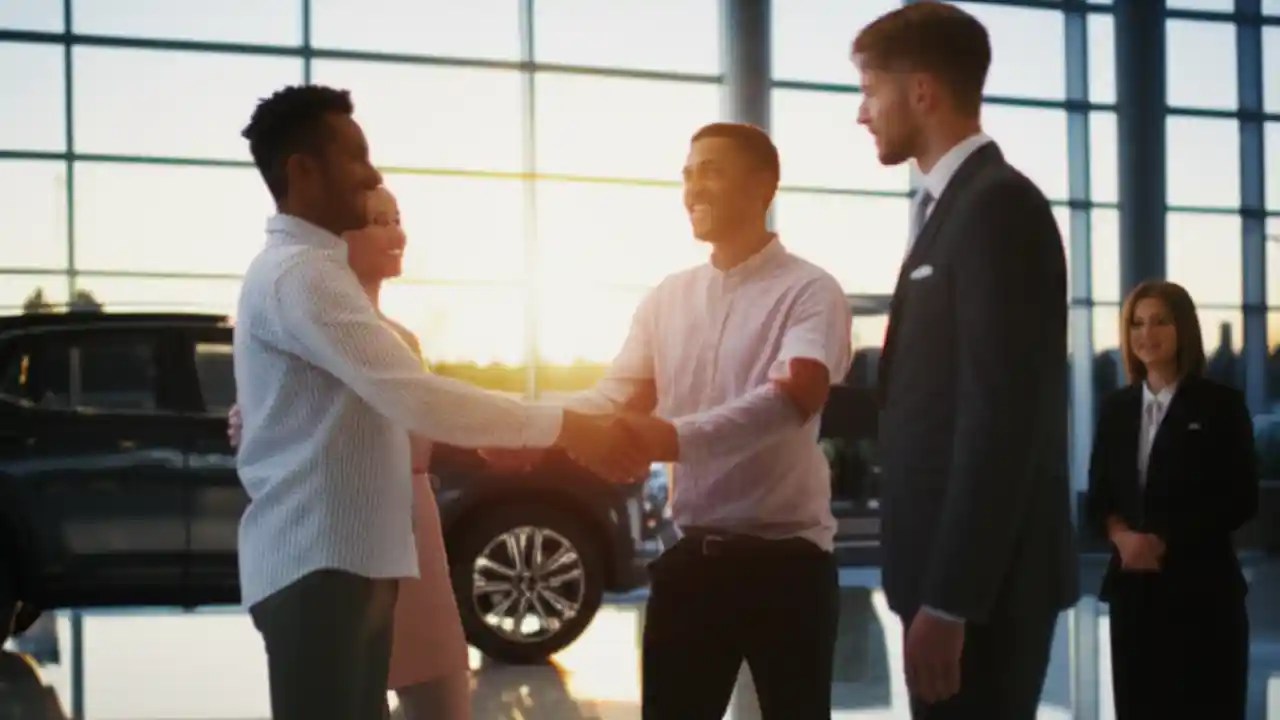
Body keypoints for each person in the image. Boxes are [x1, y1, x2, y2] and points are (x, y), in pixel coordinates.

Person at [234, 85, 646, 720]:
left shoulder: (314, 272)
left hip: (353, 560)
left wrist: (491, 431)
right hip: (320, 564)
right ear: (302, 170)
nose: (372, 174)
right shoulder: (302, 273)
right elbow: (413, 394)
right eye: (356, 156)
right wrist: (566, 427)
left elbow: (388, 402)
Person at [495, 122, 852, 719]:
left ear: (764, 185)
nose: (692, 188)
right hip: (691, 566)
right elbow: (616, 396)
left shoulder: (811, 290)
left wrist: (672, 437)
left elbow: (795, 397)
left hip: (789, 570)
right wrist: (531, 429)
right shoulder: (668, 296)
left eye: (710, 169)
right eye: (687, 174)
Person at [851, 3, 1079, 717]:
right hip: (957, 584)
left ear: (921, 91)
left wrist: (951, 601)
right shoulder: (953, 208)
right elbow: (928, 400)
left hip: (985, 597)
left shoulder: (996, 209)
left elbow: (999, 422)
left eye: (869, 90)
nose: (863, 113)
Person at [228, 185, 472, 720]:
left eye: (397, 218)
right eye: (378, 221)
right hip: (357, 533)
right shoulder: (326, 328)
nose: (396, 233)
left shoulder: (398, 336)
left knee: (437, 695)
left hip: (411, 529)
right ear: (341, 238)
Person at [1086, 280, 1257, 720]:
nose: (1147, 333)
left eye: (1160, 320)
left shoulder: (1221, 406)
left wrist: (1162, 542)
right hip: (1133, 596)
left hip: (1204, 598)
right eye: (1137, 323)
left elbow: (1239, 498)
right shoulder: (1115, 409)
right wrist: (1122, 537)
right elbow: (1100, 494)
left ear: (1184, 328)